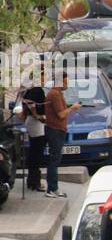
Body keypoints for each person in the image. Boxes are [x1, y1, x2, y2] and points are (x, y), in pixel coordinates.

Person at [43, 69, 80, 198]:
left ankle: (54, 188)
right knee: (54, 160)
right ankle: (52, 188)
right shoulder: (55, 94)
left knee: (55, 159)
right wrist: (72, 108)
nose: (67, 84)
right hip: (55, 130)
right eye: (65, 81)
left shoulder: (57, 93)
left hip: (57, 130)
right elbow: (61, 114)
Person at [18, 81, 46, 191]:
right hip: (36, 123)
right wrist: (38, 116)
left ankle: (32, 180)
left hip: (31, 121)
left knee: (34, 151)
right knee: (37, 152)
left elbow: (25, 103)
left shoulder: (29, 90)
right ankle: (35, 181)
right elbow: (32, 105)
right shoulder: (37, 90)